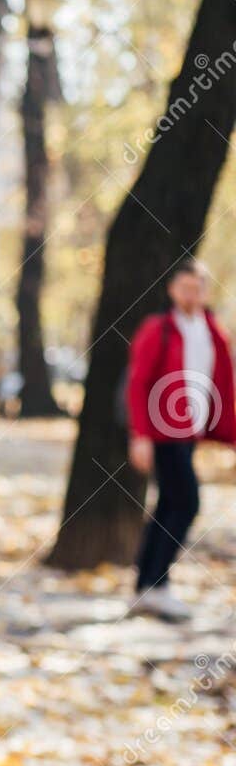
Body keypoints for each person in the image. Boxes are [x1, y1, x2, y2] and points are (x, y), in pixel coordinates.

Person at [125, 257, 236, 622]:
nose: (192, 293)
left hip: (192, 431)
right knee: (187, 502)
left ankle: (145, 585)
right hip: (163, 431)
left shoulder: (212, 332)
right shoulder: (159, 329)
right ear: (173, 290)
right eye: (185, 287)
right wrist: (140, 435)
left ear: (206, 290)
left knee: (169, 504)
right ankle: (157, 586)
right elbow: (138, 383)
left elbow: (222, 385)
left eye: (198, 286)